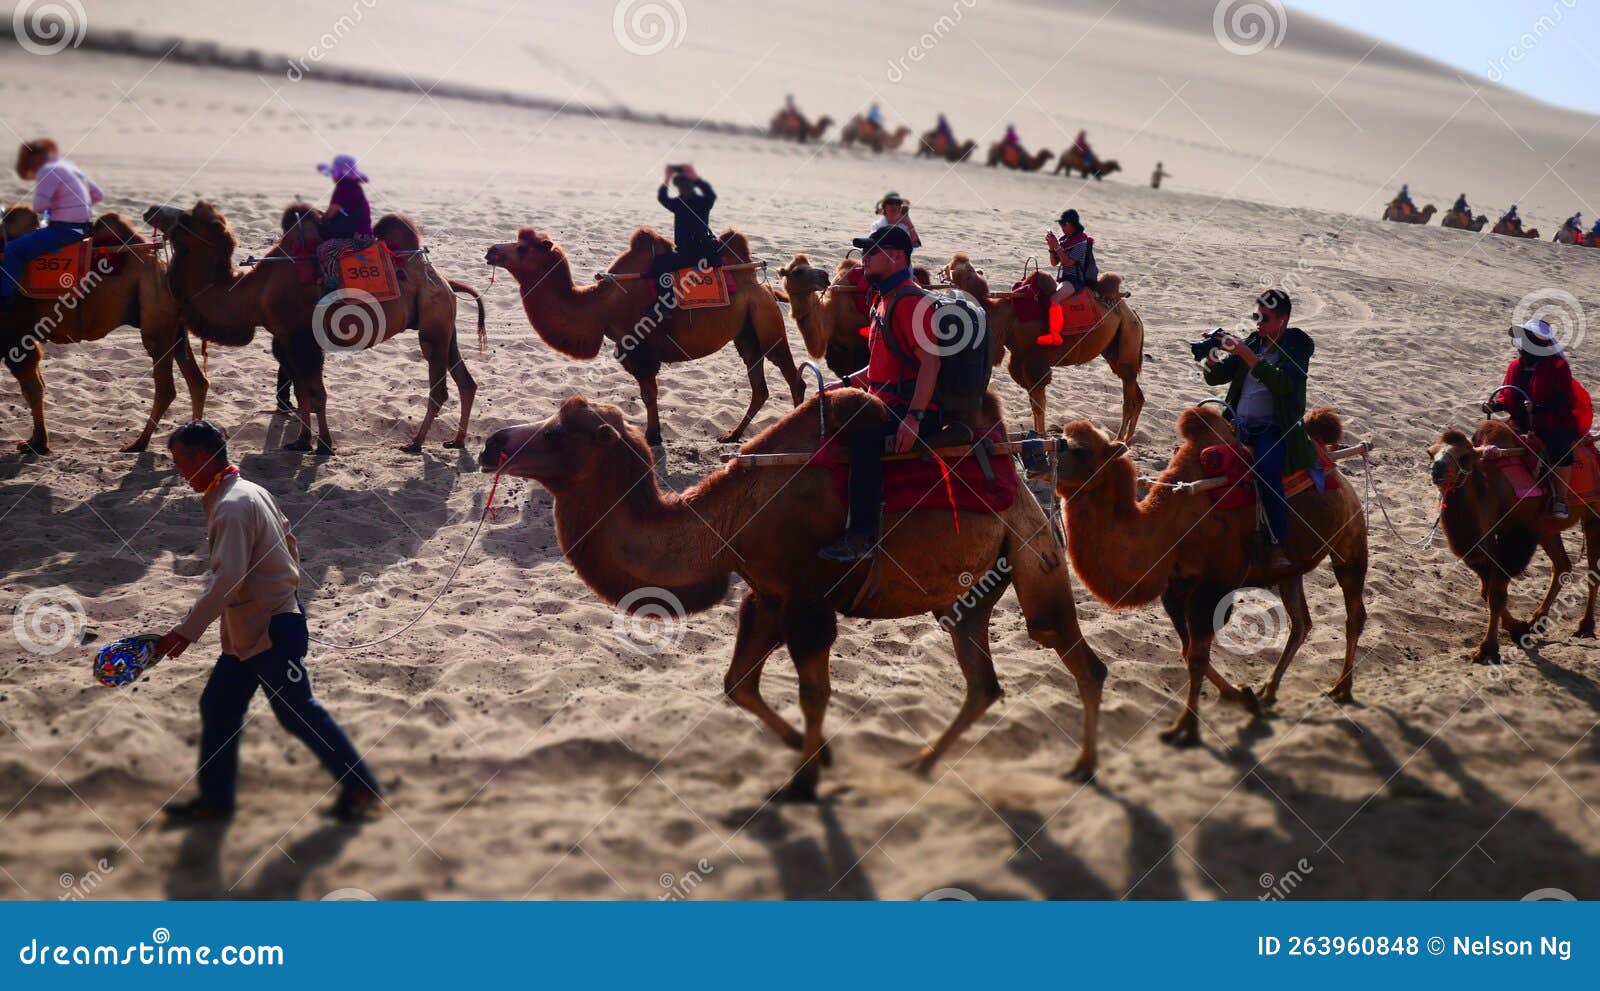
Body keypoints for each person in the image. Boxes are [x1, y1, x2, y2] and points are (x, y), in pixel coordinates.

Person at [154, 420, 383, 822]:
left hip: (270, 631)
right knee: (219, 706)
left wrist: (185, 632)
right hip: (253, 628)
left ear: (202, 457)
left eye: (180, 463)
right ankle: (215, 802)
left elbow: (228, 578)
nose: (180, 472)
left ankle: (361, 788)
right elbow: (291, 545)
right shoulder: (249, 490)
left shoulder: (231, 506)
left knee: (297, 712)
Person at [818, 224, 942, 563]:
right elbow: (878, 367)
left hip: (911, 408)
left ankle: (861, 538)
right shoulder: (883, 300)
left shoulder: (911, 301)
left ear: (897, 257)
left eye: (873, 252)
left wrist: (914, 419)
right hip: (884, 401)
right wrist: (845, 383)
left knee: (863, 436)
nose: (865, 258)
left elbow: (930, 363)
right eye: (864, 252)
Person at [1202, 290, 1317, 571]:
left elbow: (1283, 384)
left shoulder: (1297, 345)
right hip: (1236, 423)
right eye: (1256, 316)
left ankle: (1278, 542)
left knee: (1266, 469)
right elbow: (1216, 377)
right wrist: (1211, 358)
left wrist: (1246, 353)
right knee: (1198, 456)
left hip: (1273, 428)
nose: (1258, 323)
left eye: (1265, 318)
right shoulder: (1255, 341)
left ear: (1282, 320)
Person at [1485, 319, 1582, 519]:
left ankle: (1560, 499)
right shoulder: (1515, 366)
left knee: (1559, 447)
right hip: (1519, 422)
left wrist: (1538, 408)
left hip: (1552, 422)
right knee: (1484, 437)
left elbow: (1564, 398)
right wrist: (1493, 406)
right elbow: (1507, 397)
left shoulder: (1558, 366)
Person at [1, 139, 101, 310]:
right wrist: (74, 206)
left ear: (34, 159)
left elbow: (40, 206)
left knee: (13, 249)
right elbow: (97, 194)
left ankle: (4, 300)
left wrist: (58, 207)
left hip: (65, 229)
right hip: (83, 227)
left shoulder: (47, 170)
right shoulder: (70, 167)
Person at [646, 164, 720, 328]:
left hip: (700, 253)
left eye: (685, 185)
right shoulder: (678, 203)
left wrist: (695, 177)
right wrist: (667, 178)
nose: (682, 189)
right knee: (658, 262)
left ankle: (665, 306)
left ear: (692, 185)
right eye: (679, 186)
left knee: (661, 264)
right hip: (684, 251)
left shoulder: (704, 202)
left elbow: (710, 193)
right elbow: (663, 198)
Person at [1046, 208, 1097, 301]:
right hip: (1062, 279)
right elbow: (1054, 263)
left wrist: (1056, 246)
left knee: (1054, 299)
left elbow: (1068, 262)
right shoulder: (1065, 241)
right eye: (1061, 224)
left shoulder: (1081, 243)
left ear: (1072, 224)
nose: (1062, 227)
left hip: (1074, 280)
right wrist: (1051, 247)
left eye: (1064, 224)